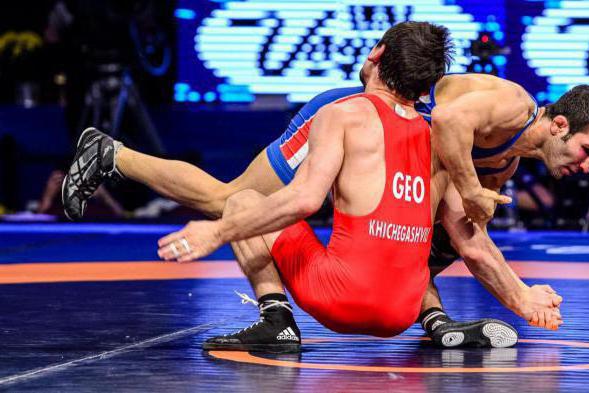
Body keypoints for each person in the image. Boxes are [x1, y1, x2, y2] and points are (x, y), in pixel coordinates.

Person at [63, 25, 589, 346]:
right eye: (587, 151)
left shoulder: (505, 167)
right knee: (228, 199)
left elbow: (450, 230)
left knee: (434, 230)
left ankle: (431, 317)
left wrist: (512, 280)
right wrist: (472, 190)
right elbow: (448, 123)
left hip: (395, 138)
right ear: (561, 124)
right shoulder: (514, 105)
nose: (586, 166)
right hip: (365, 118)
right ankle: (114, 154)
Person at [155, 20, 525, 352]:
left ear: (376, 53)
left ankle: (276, 323)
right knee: (407, 239)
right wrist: (522, 298)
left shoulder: (343, 114)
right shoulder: (440, 139)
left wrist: (217, 231)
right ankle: (436, 320)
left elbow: (303, 199)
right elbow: (473, 246)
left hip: (339, 298)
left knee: (244, 198)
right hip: (402, 312)